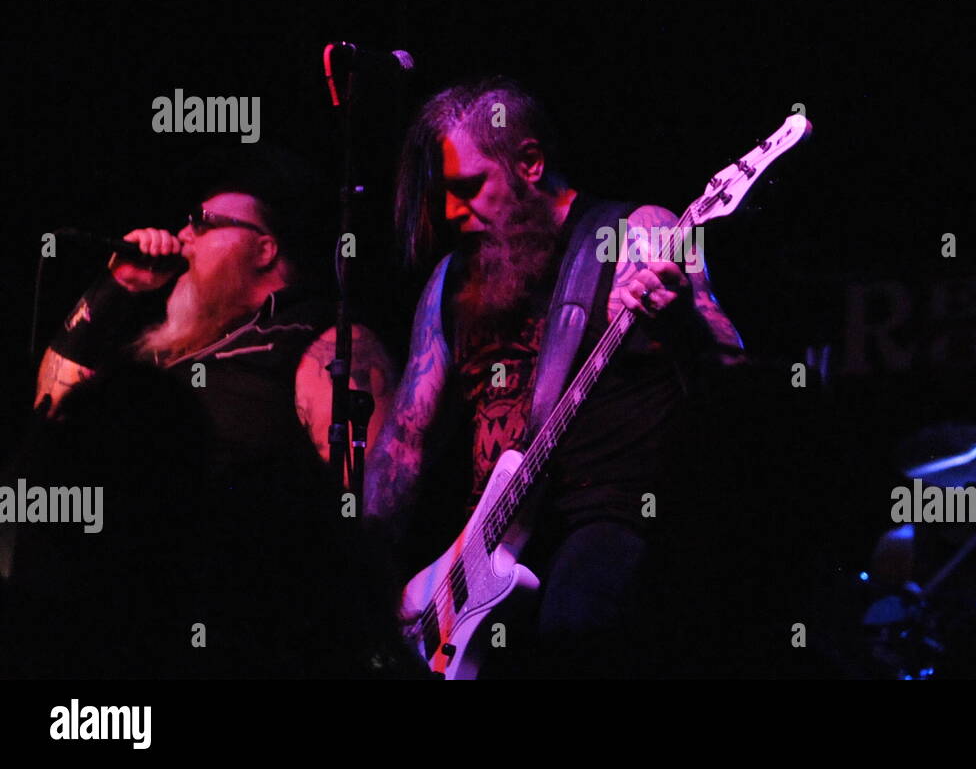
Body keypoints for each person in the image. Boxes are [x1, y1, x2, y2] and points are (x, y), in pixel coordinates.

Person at [365, 77, 745, 676]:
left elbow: (733, 371)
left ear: (531, 163)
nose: (451, 212)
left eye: (468, 188)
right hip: (485, 555)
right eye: (444, 194)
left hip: (608, 516)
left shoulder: (636, 232)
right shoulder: (449, 281)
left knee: (575, 626)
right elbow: (406, 441)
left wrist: (679, 321)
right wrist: (363, 564)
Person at [16, 152, 408, 676]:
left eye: (203, 223)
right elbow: (51, 409)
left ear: (265, 249)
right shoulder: (166, 355)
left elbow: (369, 509)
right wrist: (116, 288)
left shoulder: (319, 341)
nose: (183, 236)